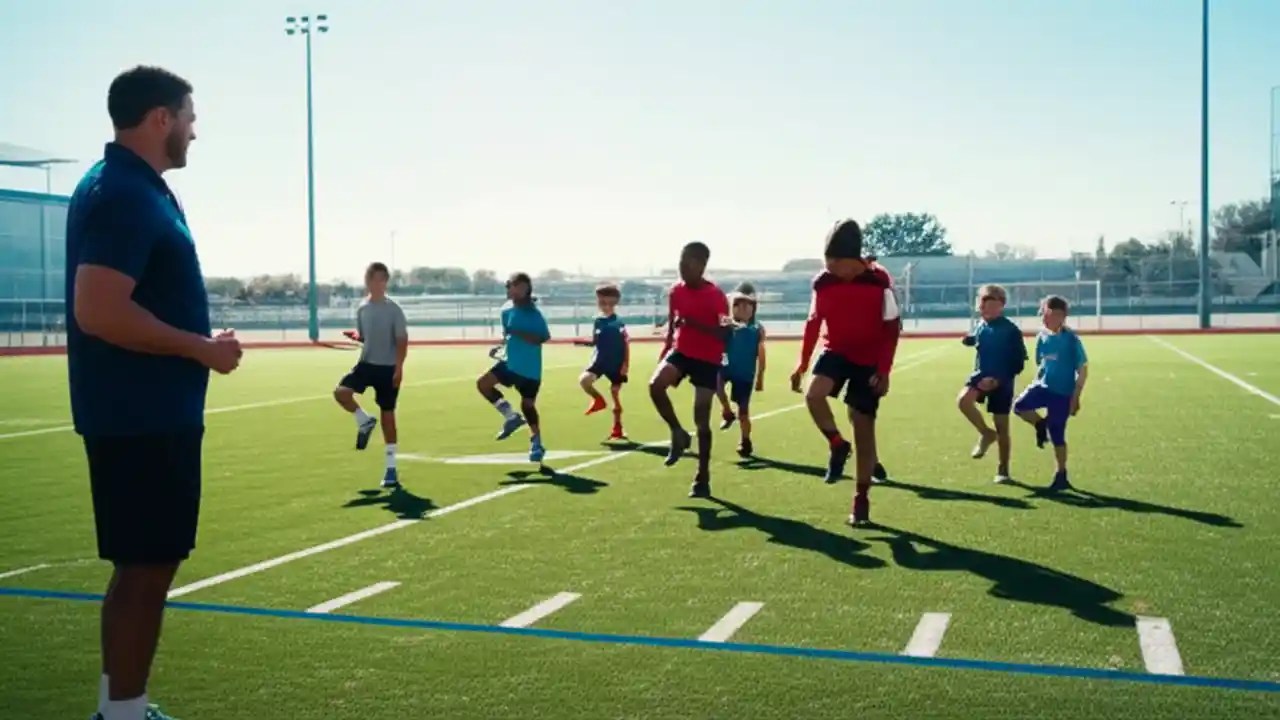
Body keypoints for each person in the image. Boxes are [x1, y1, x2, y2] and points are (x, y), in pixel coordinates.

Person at [67, 66, 241, 720]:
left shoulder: (135, 187)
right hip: (139, 417)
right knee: (145, 570)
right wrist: (202, 349)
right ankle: (123, 715)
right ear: (161, 118)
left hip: (145, 413)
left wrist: (199, 336)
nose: (196, 129)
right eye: (190, 116)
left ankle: (121, 708)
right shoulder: (121, 193)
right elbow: (100, 310)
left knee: (142, 566)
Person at [790, 220, 900, 526]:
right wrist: (802, 363)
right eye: (828, 264)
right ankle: (837, 444)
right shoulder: (822, 283)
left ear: (855, 261)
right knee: (813, 395)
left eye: (837, 265)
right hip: (835, 350)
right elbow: (813, 323)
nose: (832, 271)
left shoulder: (880, 281)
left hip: (869, 359)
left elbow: (891, 329)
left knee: (862, 426)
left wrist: (884, 370)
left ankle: (861, 498)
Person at [651, 242, 730, 498]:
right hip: (682, 352)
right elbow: (673, 323)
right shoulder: (675, 291)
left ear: (701, 266)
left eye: (688, 263)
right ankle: (677, 432)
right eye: (680, 262)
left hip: (707, 359)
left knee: (702, 418)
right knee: (655, 386)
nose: (682, 268)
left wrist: (695, 324)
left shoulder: (717, 297)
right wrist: (666, 349)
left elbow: (726, 332)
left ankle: (702, 476)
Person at [334, 262, 409, 489]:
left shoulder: (394, 309)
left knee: (388, 416)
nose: (376, 283)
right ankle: (364, 421)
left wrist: (399, 367)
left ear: (386, 282)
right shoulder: (362, 308)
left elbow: (402, 341)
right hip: (366, 364)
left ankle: (391, 468)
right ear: (367, 281)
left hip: (388, 368)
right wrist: (355, 336)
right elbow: (365, 337)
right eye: (372, 279)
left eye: (381, 279)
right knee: (341, 393)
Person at [1013, 296, 1089, 492]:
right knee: (1019, 406)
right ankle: (1040, 424)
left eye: (1055, 315)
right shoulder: (1042, 337)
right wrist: (1036, 382)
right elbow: (1042, 364)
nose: (1049, 318)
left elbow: (1082, 370)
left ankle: (1061, 474)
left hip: (1063, 393)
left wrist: (1076, 397)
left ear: (1063, 316)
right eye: (1046, 314)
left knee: (1057, 435)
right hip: (1042, 387)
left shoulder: (1071, 339)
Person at [477, 272, 550, 462]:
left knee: (528, 405)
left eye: (515, 286)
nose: (511, 289)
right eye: (509, 285)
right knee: (483, 384)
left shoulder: (534, 314)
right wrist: (500, 346)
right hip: (510, 363)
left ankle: (536, 442)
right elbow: (508, 335)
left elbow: (542, 338)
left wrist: (518, 333)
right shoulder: (506, 311)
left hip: (530, 368)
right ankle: (511, 416)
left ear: (525, 290)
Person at [958, 284, 1027, 484]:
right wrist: (969, 340)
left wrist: (998, 380)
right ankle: (986, 433)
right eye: (984, 306)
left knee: (1002, 427)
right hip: (980, 376)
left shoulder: (1011, 330)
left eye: (993, 306)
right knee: (963, 401)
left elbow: (1018, 361)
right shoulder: (981, 325)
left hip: (1002, 381)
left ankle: (1003, 469)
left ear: (1002, 306)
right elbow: (980, 339)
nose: (987, 310)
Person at [715, 282, 767, 457]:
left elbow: (761, 354)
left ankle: (745, 440)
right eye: (738, 305)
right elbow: (720, 342)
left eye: (748, 305)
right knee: (717, 384)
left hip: (745, 374)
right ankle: (726, 411)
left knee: (743, 411)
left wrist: (760, 377)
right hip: (727, 367)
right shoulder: (727, 326)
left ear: (754, 309)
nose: (743, 309)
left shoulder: (756, 330)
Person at [576, 283, 630, 440]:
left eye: (608, 303)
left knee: (615, 394)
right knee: (584, 380)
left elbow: (626, 344)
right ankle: (598, 400)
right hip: (600, 361)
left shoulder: (618, 322)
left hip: (616, 363)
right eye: (601, 303)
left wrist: (625, 364)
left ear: (615, 303)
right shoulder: (597, 321)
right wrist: (582, 343)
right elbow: (595, 341)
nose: (605, 307)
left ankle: (617, 427)